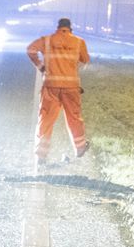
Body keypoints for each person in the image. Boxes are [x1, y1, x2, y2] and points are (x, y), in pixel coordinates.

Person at [27, 17, 90, 164]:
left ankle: (41, 155)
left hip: (51, 86)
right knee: (74, 118)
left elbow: (30, 49)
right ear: (70, 28)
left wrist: (41, 66)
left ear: (58, 27)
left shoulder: (48, 40)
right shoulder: (79, 41)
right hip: (71, 88)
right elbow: (85, 59)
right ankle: (80, 147)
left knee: (46, 120)